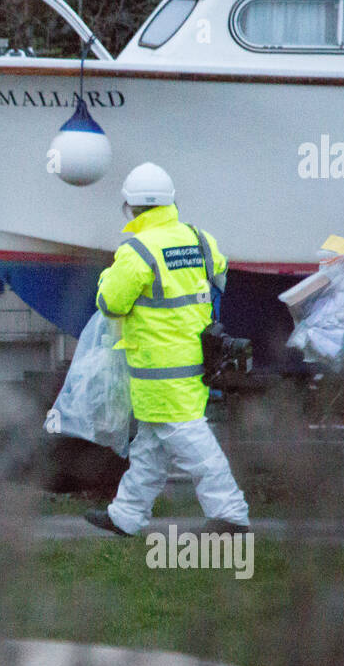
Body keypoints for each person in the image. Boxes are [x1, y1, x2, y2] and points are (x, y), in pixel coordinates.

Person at [84, 162, 251, 538]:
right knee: (150, 449)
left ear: (130, 207)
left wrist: (107, 276)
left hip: (157, 369)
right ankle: (126, 515)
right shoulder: (199, 238)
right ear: (170, 201)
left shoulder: (136, 251)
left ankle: (231, 514)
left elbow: (110, 303)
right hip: (195, 362)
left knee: (192, 441)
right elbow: (219, 269)